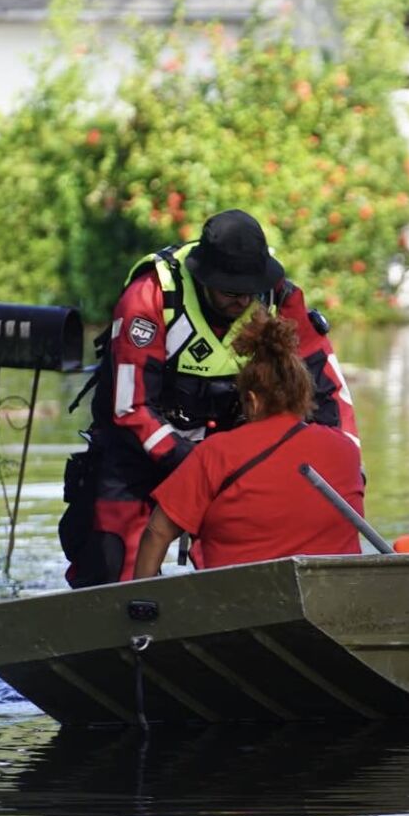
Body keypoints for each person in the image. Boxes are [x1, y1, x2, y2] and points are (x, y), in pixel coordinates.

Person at [60, 208, 359, 588]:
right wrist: (196, 466)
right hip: (140, 446)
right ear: (204, 279)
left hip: (230, 449)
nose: (241, 301)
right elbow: (130, 407)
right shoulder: (150, 297)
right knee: (108, 561)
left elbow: (329, 391)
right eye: (230, 292)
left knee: (246, 562)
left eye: (247, 291)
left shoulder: (280, 298)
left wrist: (344, 459)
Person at [132, 309, 366, 577]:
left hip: (245, 602)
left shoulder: (216, 452)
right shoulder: (347, 451)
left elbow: (157, 532)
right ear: (303, 396)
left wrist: (139, 606)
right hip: (333, 592)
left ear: (252, 402)